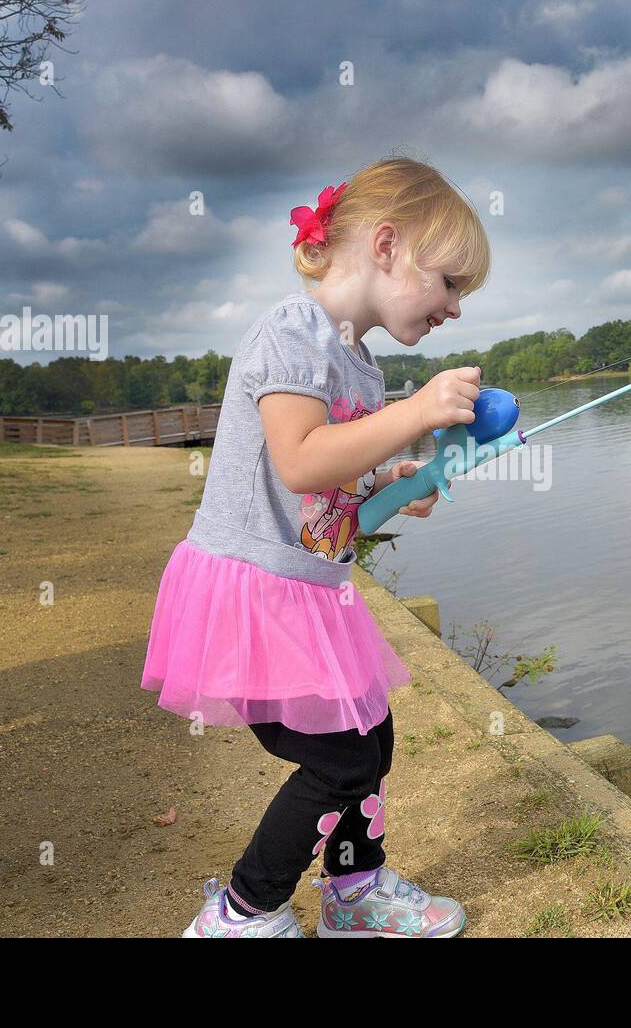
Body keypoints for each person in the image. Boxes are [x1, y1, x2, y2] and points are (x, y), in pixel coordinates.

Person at [141, 155, 490, 937]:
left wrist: (397, 479)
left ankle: (353, 892)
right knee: (337, 761)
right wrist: (416, 411)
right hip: (253, 596)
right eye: (450, 283)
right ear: (390, 245)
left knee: (371, 737)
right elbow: (300, 456)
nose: (455, 308)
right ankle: (243, 910)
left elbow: (332, 502)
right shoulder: (293, 332)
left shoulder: (360, 367)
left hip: (307, 593)